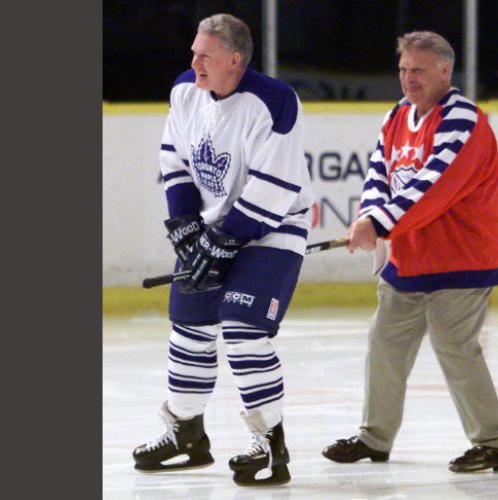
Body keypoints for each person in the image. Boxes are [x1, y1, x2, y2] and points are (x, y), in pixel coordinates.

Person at [321, 31, 498, 473]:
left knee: (454, 345)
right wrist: (370, 215)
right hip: (408, 260)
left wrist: (380, 224)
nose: (409, 79)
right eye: (404, 69)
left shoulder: (464, 119)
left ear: (445, 71)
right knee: (384, 342)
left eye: (419, 71)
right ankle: (375, 437)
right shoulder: (396, 116)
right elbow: (379, 174)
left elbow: (433, 186)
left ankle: (495, 444)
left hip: (461, 260)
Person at [131, 13, 313, 487]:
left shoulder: (274, 102)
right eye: (193, 52)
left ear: (234, 59)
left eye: (204, 55)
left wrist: (223, 240)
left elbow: (275, 186)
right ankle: (186, 433)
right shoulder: (185, 91)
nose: (193, 62)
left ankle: (270, 445)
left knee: (244, 331)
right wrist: (188, 228)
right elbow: (173, 161)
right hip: (215, 230)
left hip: (273, 230)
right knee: (188, 330)